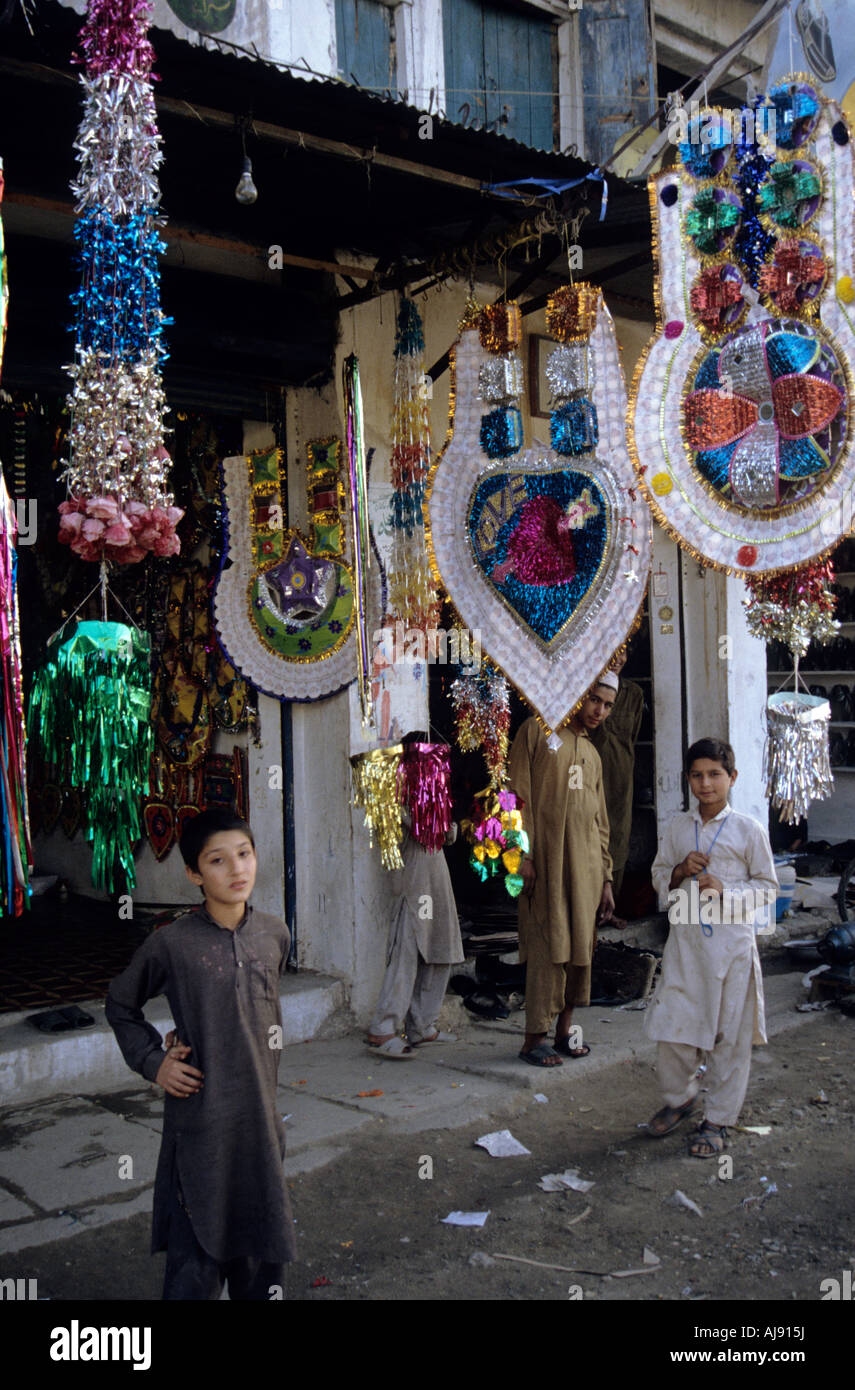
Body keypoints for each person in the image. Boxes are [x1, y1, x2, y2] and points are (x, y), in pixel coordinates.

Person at [105, 807, 296, 1299]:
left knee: (259, 1247)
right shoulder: (171, 944)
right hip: (201, 1124)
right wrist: (155, 1062)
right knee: (196, 1260)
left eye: (244, 854)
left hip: (260, 1121)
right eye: (218, 860)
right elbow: (120, 1003)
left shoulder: (274, 934)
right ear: (193, 873)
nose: (237, 870)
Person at [644, 738, 777, 1157]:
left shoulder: (748, 830)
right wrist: (680, 870)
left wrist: (726, 889)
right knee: (674, 1029)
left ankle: (717, 1119)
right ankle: (681, 1098)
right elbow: (658, 875)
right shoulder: (678, 828)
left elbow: (767, 887)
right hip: (685, 946)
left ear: (732, 778)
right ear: (688, 780)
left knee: (728, 1036)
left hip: (730, 949)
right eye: (698, 776)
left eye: (715, 775)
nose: (706, 784)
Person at [508, 676, 617, 1068]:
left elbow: (601, 823)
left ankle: (564, 1032)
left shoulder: (592, 753)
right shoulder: (535, 732)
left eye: (607, 705)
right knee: (546, 944)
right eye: (594, 700)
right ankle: (533, 1037)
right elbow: (515, 795)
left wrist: (606, 878)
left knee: (580, 949)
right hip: (547, 865)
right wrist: (522, 853)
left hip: (586, 870)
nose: (599, 712)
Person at [366, 736, 464, 1058]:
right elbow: (424, 829)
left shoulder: (433, 798)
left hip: (437, 881)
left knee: (441, 949)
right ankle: (383, 1028)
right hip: (413, 883)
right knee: (407, 954)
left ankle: (423, 1025)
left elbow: (447, 834)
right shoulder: (397, 798)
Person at [588, 650, 644, 903]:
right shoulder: (582, 689)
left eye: (625, 650)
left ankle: (612, 906)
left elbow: (632, 738)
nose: (619, 658)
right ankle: (589, 904)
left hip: (619, 777)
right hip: (586, 774)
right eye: (613, 649)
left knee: (617, 834)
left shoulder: (633, 695)